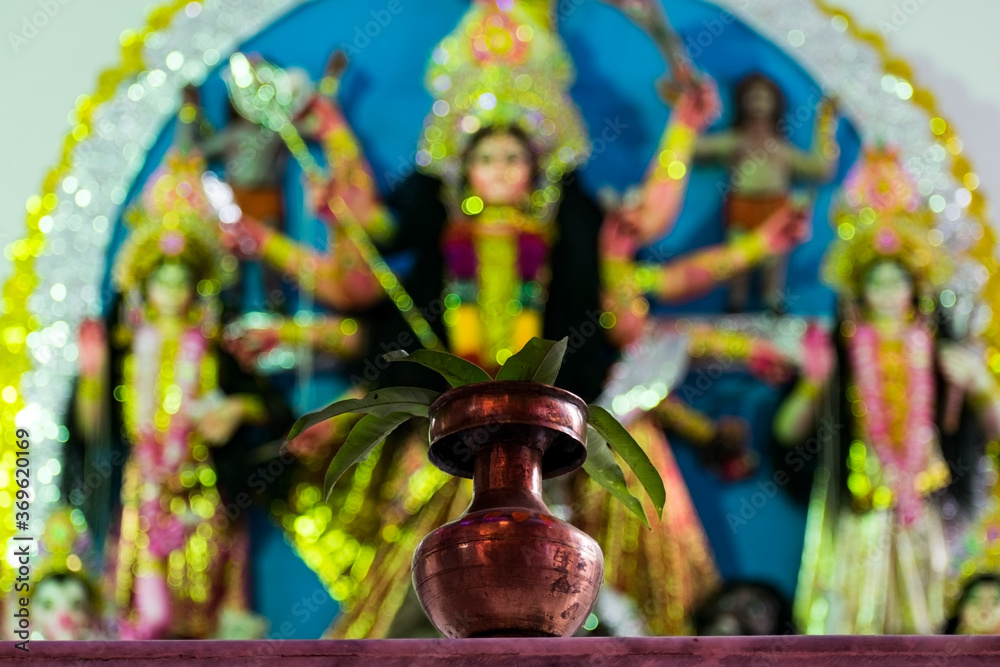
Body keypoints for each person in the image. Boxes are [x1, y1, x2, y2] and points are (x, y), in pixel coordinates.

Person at [222, 1, 804, 636]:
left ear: (536, 169)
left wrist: (684, 133)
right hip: (454, 424)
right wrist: (334, 162)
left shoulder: (569, 224)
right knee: (424, 569)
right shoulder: (437, 218)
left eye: (513, 159)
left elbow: (647, 231)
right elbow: (372, 233)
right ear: (463, 168)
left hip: (554, 422)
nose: (499, 171)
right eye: (486, 159)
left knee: (596, 552)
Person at [774, 147, 1000, 634]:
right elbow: (787, 430)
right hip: (861, 510)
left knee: (930, 627)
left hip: (928, 511)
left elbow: (994, 428)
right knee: (852, 629)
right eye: (877, 280)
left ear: (915, 285)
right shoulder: (836, 348)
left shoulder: (943, 349)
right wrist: (815, 381)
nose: (889, 292)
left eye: (899, 280)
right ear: (859, 286)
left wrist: (980, 386)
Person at [68, 150, 292, 639]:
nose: (171, 292)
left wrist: (236, 408)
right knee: (145, 618)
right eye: (160, 281)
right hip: (143, 491)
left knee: (206, 614)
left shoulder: (217, 348)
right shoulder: (123, 350)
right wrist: (91, 371)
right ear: (142, 286)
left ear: (198, 287)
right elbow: (90, 430)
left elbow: (276, 410)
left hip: (203, 493)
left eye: (181, 281)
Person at [694, 72, 838, 312]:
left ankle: (773, 304)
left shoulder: (781, 148)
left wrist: (825, 125)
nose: (759, 103)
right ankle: (735, 306)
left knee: (774, 266)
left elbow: (820, 169)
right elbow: (696, 150)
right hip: (742, 208)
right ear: (742, 102)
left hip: (776, 209)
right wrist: (691, 113)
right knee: (737, 262)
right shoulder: (735, 141)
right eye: (753, 97)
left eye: (764, 97)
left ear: (776, 104)